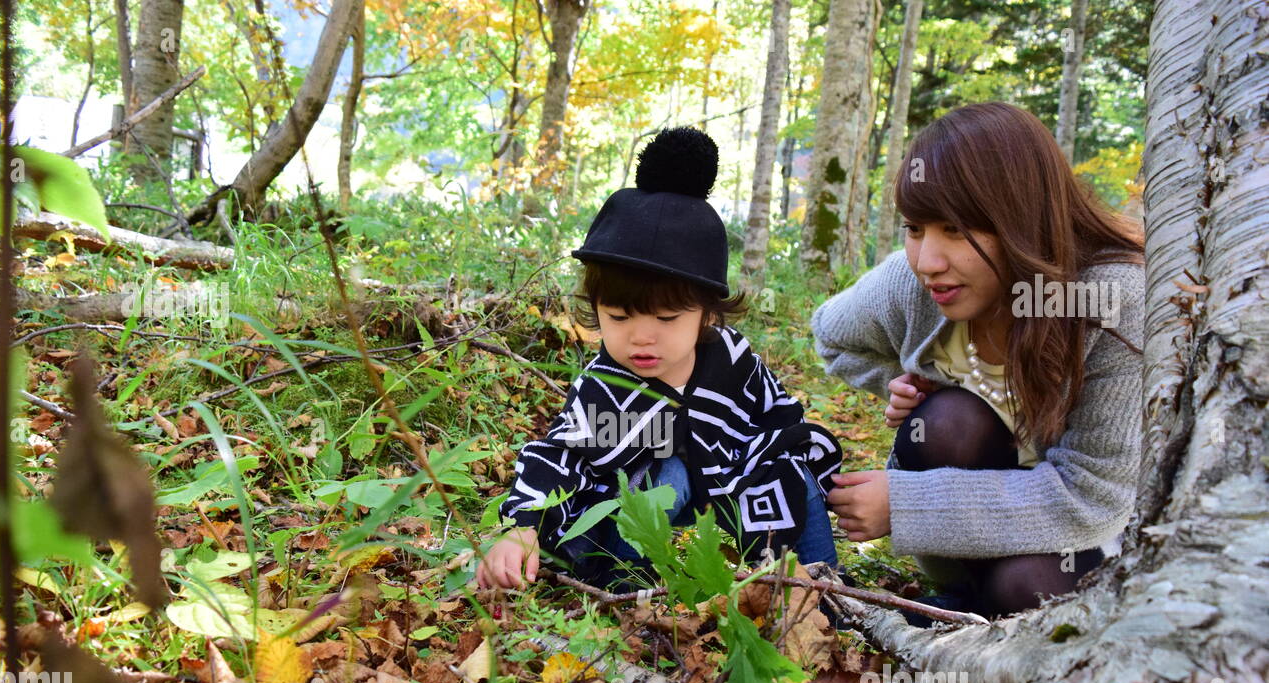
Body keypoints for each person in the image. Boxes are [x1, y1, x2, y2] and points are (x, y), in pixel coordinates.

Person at [810, 101, 1146, 618]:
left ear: (1021, 220)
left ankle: (992, 628)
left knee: (1028, 586)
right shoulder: (914, 283)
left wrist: (905, 504)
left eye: (956, 229)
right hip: (956, 550)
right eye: (915, 228)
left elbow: (1093, 499)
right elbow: (831, 335)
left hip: (1078, 547)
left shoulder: (1110, 301)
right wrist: (899, 382)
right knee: (948, 420)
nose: (927, 261)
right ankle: (960, 602)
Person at [477, 127, 844, 591]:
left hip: (728, 472)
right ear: (597, 309)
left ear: (707, 314)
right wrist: (523, 526)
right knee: (664, 477)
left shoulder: (730, 360)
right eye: (619, 316)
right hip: (639, 495)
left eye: (668, 317)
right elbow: (562, 455)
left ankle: (824, 587)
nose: (641, 338)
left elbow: (780, 417)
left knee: (788, 474)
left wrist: (820, 477)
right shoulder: (608, 387)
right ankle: (623, 576)